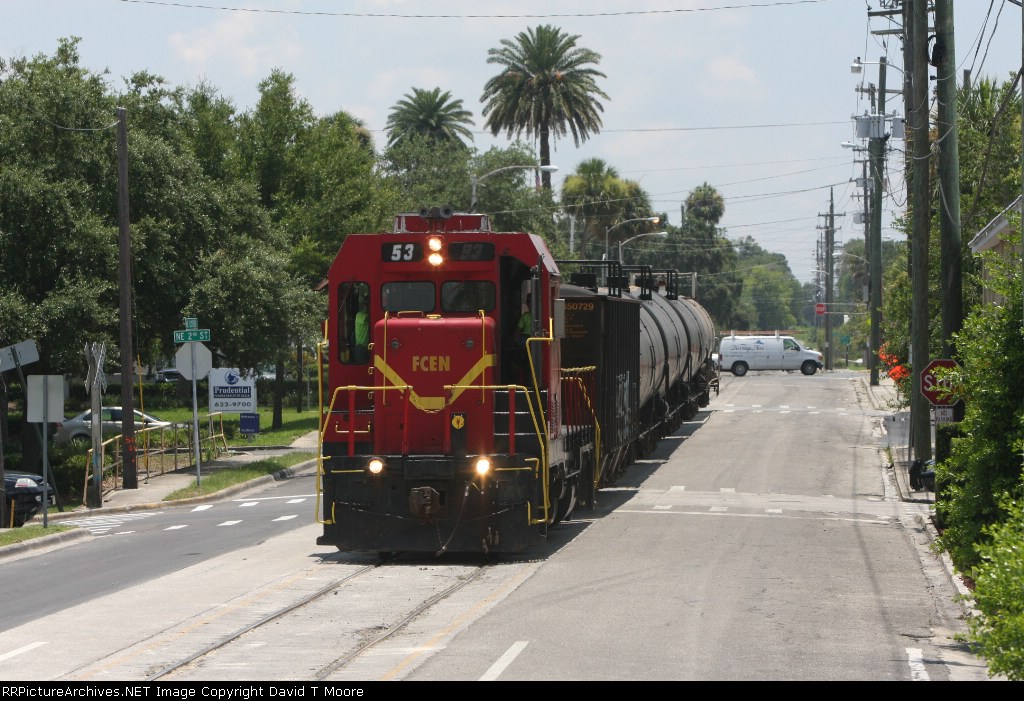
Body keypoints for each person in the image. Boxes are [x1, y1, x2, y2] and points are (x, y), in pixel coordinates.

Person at [353, 296, 369, 363]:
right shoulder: (359, 315)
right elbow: (368, 318)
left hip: (369, 347)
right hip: (361, 347)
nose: (367, 306)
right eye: (366, 304)